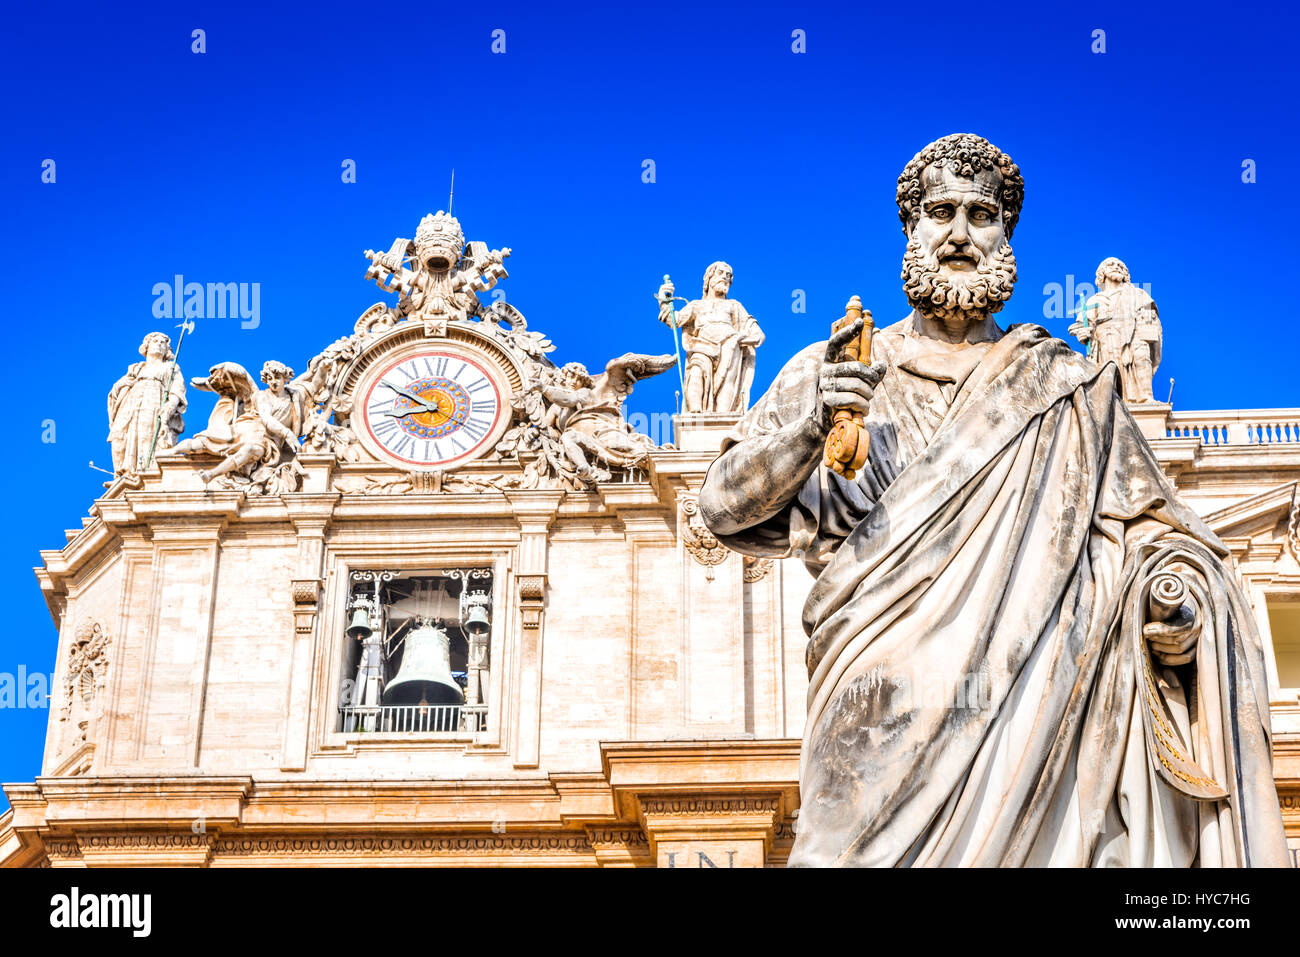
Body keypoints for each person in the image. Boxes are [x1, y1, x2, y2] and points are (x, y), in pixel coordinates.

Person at [699, 133, 1289, 867]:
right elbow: (719, 507)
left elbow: (1157, 535)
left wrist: (1173, 601)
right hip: (871, 714)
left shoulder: (1067, 385)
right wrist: (812, 429)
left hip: (1035, 718)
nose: (960, 233)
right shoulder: (839, 367)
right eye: (940, 212)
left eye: (982, 216)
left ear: (1005, 236)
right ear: (910, 230)